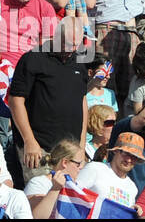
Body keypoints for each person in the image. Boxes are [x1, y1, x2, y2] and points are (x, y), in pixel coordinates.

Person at [9, 18, 91, 181]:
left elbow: (81, 102)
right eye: (67, 43)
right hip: (40, 148)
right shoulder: (33, 59)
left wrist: (81, 146)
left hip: (70, 151)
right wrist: (29, 141)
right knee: (40, 198)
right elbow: (15, 101)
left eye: (76, 44)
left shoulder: (79, 63)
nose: (71, 49)